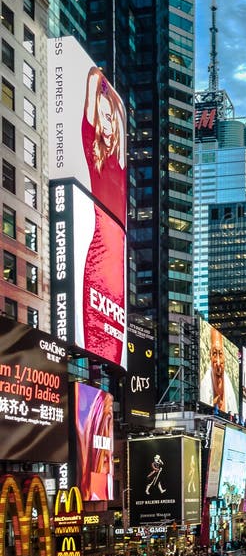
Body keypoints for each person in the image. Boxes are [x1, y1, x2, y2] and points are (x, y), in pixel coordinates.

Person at [81, 65, 127, 364]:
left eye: (110, 118)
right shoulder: (90, 147)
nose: (108, 124)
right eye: (103, 117)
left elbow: (121, 116)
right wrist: (103, 90)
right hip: (97, 270)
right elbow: (93, 76)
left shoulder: (120, 164)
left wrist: (115, 106)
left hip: (117, 286)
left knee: (112, 357)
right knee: (96, 351)